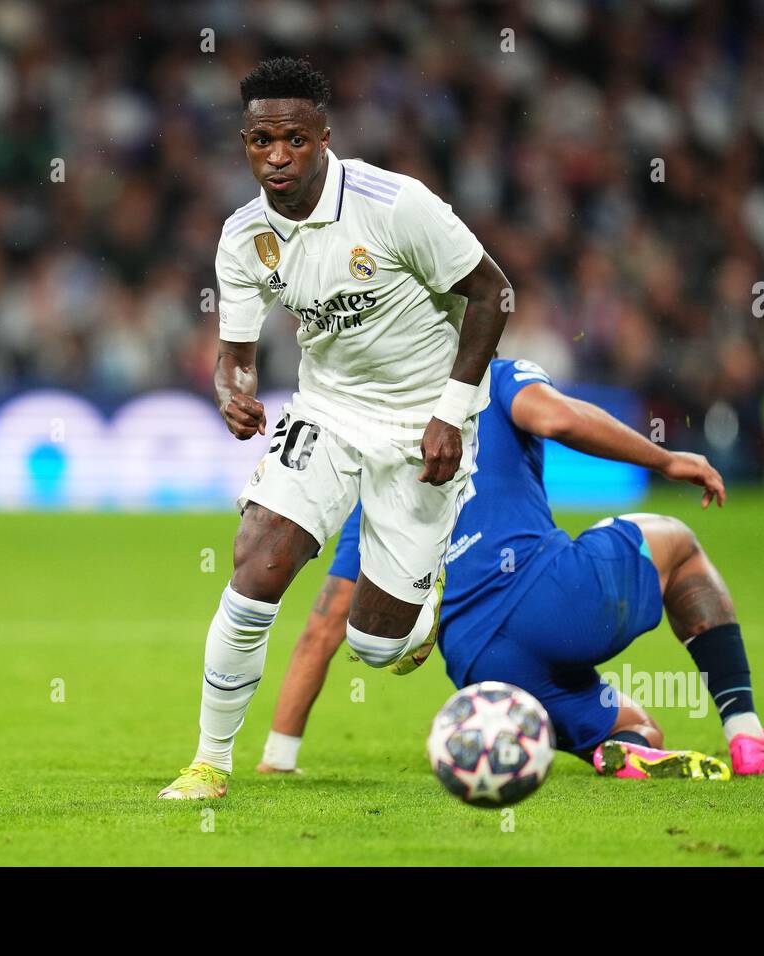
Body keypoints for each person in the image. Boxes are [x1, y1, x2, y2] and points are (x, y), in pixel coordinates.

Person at [160, 57, 511, 799]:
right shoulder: (244, 235)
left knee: (376, 645)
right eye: (260, 141)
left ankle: (417, 607)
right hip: (327, 411)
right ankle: (208, 763)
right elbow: (236, 358)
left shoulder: (395, 204)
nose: (276, 156)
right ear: (245, 142)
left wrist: (451, 410)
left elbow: (493, 293)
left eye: (293, 139)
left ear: (324, 137)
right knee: (258, 561)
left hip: (424, 426)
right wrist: (236, 392)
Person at [257, 358, 764, 780]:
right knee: (676, 543)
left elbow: (322, 629)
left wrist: (280, 755)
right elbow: (559, 417)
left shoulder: (380, 473)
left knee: (639, 729)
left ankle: (621, 751)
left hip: (483, 666)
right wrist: (667, 460)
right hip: (554, 598)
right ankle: (747, 734)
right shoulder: (492, 378)